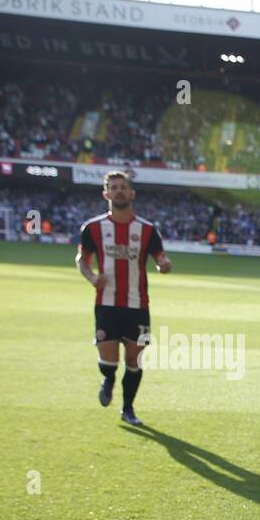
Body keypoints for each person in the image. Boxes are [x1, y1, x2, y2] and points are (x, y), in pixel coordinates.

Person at [76, 171, 172, 426]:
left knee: (134, 360)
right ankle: (108, 379)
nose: (119, 191)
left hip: (138, 306)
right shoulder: (93, 228)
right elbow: (82, 260)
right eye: (114, 187)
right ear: (106, 194)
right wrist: (92, 277)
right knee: (109, 361)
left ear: (132, 193)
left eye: (123, 187)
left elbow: (160, 258)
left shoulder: (148, 230)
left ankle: (128, 409)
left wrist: (164, 264)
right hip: (106, 304)